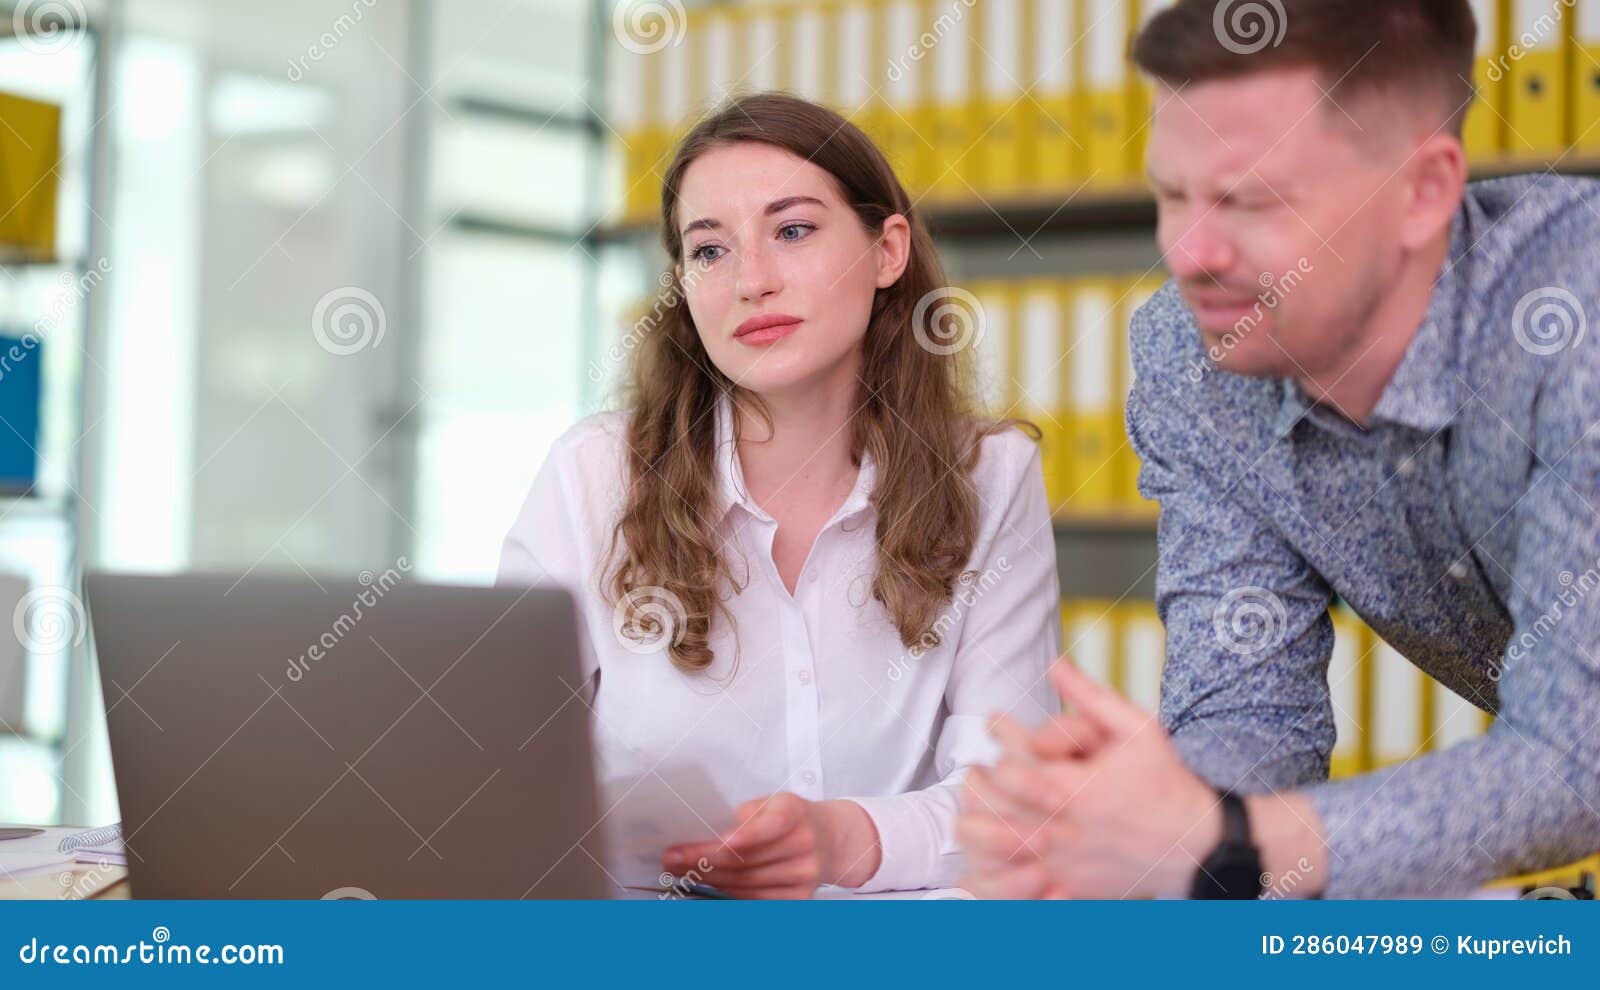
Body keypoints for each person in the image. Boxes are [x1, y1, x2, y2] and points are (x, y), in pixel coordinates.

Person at [958, 0, 1600, 898]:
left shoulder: (1579, 318)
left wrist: (1224, 839)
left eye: (1247, 200)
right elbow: (1251, 709)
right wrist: (1139, 810)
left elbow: (1579, 758)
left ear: (1422, 192)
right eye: (1170, 195)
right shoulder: (1195, 358)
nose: (1187, 252)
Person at [498, 92, 1058, 898]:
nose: (751, 281)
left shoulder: (989, 475)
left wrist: (846, 840)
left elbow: (1015, 808)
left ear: (888, 250)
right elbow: (503, 780)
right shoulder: (593, 475)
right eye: (710, 250)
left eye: (792, 231)